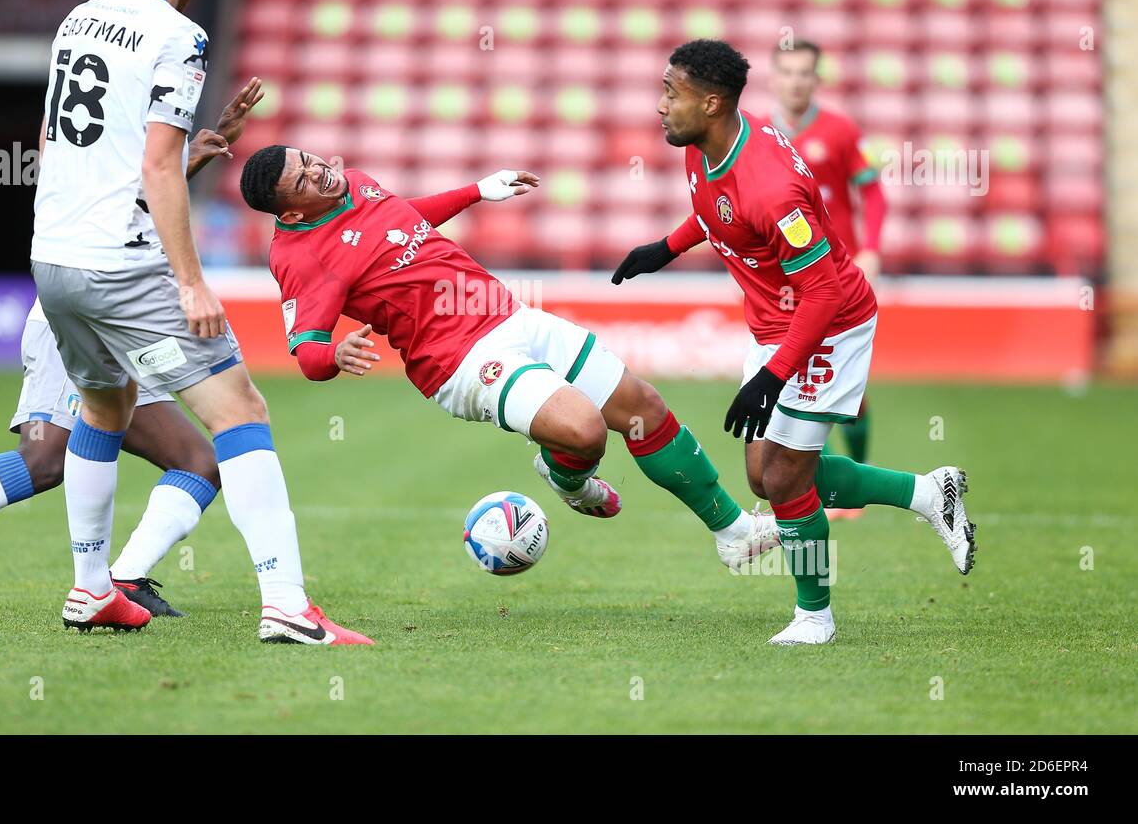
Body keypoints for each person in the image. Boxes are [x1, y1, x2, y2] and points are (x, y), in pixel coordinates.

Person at [29, 0, 367, 643]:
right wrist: (188, 279)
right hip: (124, 268)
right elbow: (154, 165)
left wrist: (198, 146)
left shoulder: (77, 20)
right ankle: (286, 604)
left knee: (103, 409)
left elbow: (59, 148)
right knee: (240, 410)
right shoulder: (181, 36)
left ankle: (91, 591)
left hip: (55, 256)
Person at [237, 148, 779, 570]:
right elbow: (306, 354)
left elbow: (401, 217)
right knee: (585, 431)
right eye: (304, 180)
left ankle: (733, 536)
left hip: (510, 314)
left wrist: (477, 191)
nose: (320, 173)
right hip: (459, 359)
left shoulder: (352, 182)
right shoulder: (299, 258)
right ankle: (569, 480)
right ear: (288, 209)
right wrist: (335, 352)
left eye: (310, 160)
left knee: (645, 407)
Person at [0, 80, 263, 620]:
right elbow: (112, 216)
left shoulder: (116, 135)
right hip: (81, 320)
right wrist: (183, 162)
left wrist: (191, 158)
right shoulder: (84, 139)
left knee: (198, 462)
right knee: (44, 461)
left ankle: (124, 581)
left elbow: (133, 206)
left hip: (128, 322)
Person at [611, 39, 976, 645]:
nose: (660, 105)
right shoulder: (707, 144)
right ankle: (927, 491)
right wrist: (664, 249)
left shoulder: (772, 188)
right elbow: (714, 212)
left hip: (827, 324)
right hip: (776, 321)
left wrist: (772, 375)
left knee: (783, 480)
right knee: (764, 475)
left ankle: (815, 617)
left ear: (711, 101)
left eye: (670, 93)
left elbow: (825, 293)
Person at [767, 39, 885, 484]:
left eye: (804, 73)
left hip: (836, 276)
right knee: (789, 374)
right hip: (782, 281)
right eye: (788, 72)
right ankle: (798, 479)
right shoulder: (758, 134)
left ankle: (857, 470)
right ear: (774, 78)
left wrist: (870, 247)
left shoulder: (841, 131)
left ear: (816, 80)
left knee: (845, 382)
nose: (796, 82)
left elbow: (872, 191)